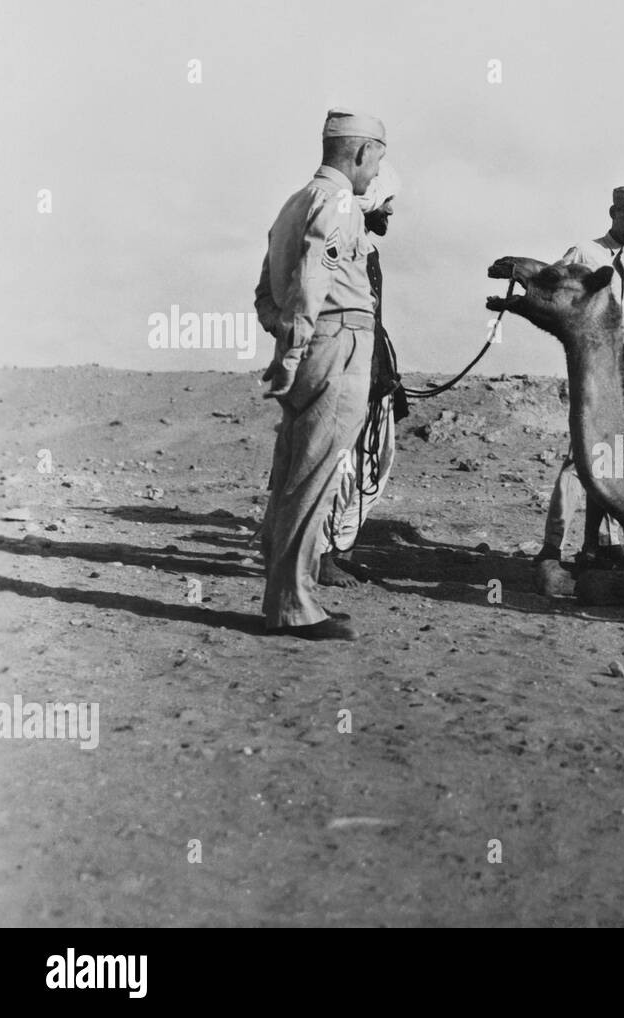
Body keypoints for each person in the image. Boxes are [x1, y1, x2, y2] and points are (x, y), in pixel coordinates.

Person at [252, 108, 386, 640]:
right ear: (359, 153)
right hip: (338, 347)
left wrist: (287, 342)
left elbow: (266, 291)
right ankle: (293, 605)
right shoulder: (337, 201)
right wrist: (296, 351)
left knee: (293, 473)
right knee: (314, 480)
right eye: (376, 160)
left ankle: (285, 590)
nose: (375, 173)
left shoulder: (295, 201)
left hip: (314, 346)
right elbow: (311, 280)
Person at [538, 185, 624, 564]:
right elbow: (553, 290)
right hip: (593, 370)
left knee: (617, 456)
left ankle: (608, 543)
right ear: (612, 213)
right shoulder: (584, 252)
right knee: (578, 457)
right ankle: (552, 544)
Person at [318, 164, 407, 586]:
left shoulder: (368, 248)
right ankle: (320, 554)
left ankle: (341, 545)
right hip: (345, 367)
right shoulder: (341, 241)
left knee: (378, 461)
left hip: (373, 370)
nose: (390, 212)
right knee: (343, 465)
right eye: (386, 203)